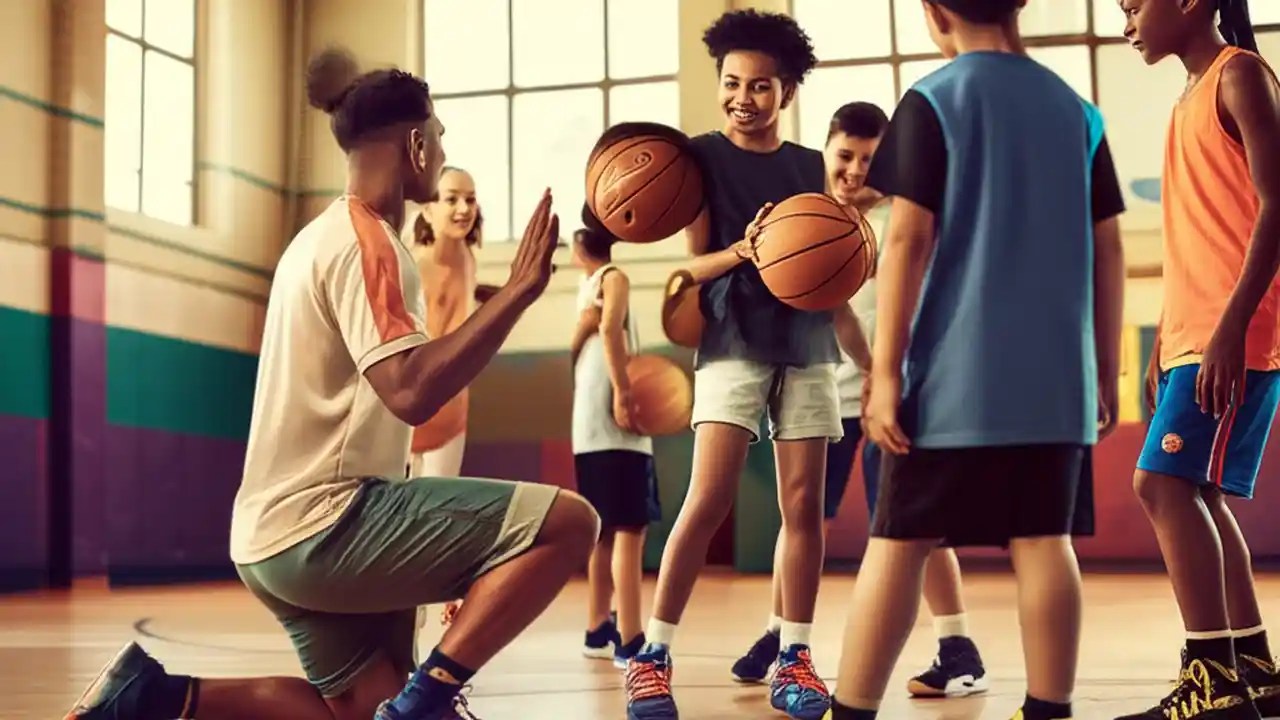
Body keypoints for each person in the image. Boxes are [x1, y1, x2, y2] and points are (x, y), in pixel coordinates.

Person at [63, 47, 599, 720]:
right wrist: (518, 294)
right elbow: (410, 391)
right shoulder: (367, 245)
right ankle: (424, 702)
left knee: (353, 709)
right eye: (437, 135)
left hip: (270, 538)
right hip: (328, 523)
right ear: (415, 143)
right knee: (570, 523)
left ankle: (154, 698)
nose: (440, 147)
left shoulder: (315, 240)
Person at [824, 2, 1127, 719]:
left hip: (952, 384)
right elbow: (1109, 249)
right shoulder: (1077, 110)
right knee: (1044, 540)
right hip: (1054, 383)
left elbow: (906, 242)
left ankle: (854, 708)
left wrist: (887, 375)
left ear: (933, 10)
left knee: (899, 541)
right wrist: (1102, 371)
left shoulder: (935, 99)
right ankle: (1051, 708)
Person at [623, 11, 848, 720]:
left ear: (786, 92)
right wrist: (744, 252)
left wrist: (847, 257)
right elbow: (691, 265)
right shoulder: (699, 157)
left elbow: (833, 266)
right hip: (731, 340)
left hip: (808, 345)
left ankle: (796, 656)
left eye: (759, 86)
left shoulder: (813, 167)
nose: (742, 98)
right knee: (708, 496)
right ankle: (652, 656)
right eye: (732, 84)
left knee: (804, 505)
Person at [730, 101, 991, 700]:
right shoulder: (809, 220)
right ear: (826, 149)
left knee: (911, 528)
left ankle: (957, 645)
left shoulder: (908, 219)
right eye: (844, 155)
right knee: (800, 520)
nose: (852, 170)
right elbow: (829, 310)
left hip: (895, 397)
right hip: (826, 389)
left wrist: (892, 377)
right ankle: (780, 631)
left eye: (867, 159)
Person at [1115, 1, 1280, 718]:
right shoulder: (1189, 96)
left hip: (1232, 335)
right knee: (1198, 494)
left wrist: (1228, 329)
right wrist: (1164, 336)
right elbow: (1204, 234)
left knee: (1161, 486)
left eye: (1133, 1)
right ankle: (1254, 675)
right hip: (1194, 336)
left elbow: (1278, 206)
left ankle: (1212, 682)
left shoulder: (1239, 75)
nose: (1125, 13)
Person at [570, 208, 659, 670]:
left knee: (604, 530)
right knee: (630, 528)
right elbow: (610, 329)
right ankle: (630, 638)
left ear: (577, 248)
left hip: (587, 423)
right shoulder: (615, 276)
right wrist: (624, 392)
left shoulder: (585, 291)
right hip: (616, 421)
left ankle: (596, 627)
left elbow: (585, 338)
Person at [406, 166, 484, 479]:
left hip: (452, 411)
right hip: (409, 410)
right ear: (428, 209)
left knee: (442, 515)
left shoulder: (467, 259)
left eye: (471, 199)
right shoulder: (413, 264)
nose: (464, 209)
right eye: (451, 199)